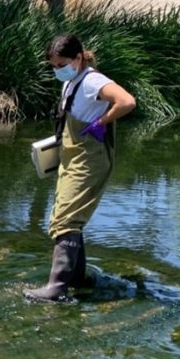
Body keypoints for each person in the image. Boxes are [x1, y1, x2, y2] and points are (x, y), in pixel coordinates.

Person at [24, 33, 136, 302]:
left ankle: (56, 287)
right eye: (52, 65)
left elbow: (127, 101)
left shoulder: (92, 81)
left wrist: (103, 122)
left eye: (60, 64)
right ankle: (78, 278)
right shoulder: (73, 79)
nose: (56, 70)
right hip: (72, 157)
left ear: (77, 58)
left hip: (89, 159)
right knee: (68, 216)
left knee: (65, 220)